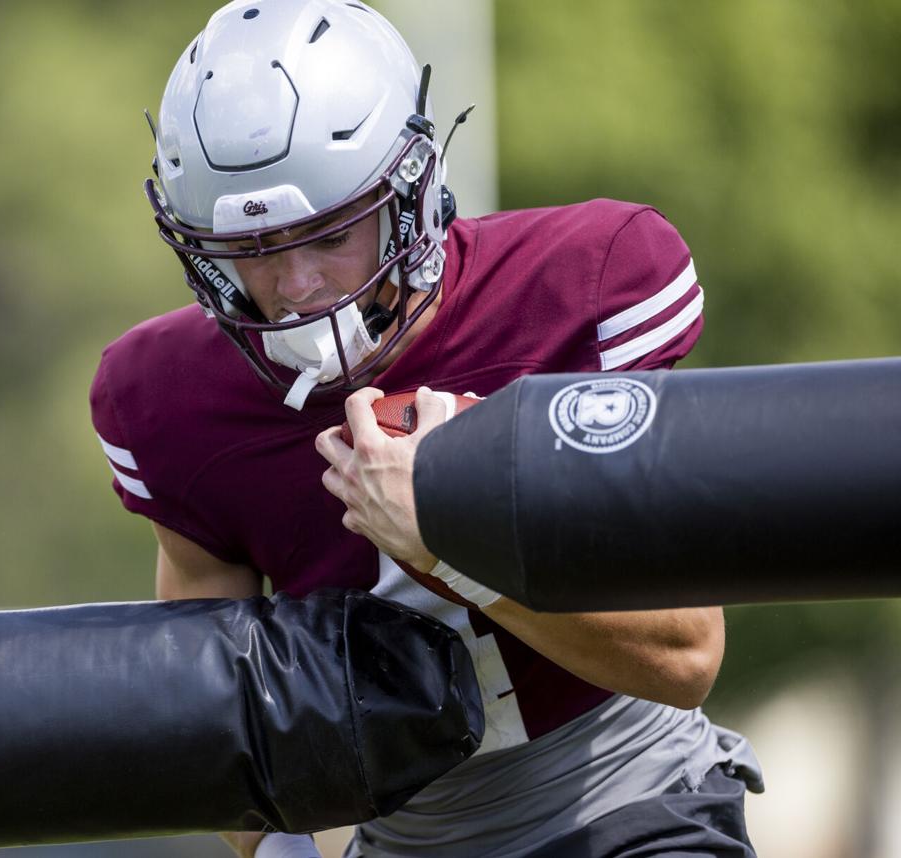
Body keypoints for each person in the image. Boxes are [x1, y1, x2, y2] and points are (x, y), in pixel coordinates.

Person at [90, 1, 763, 856]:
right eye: (253, 250)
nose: (296, 285)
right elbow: (220, 717)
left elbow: (687, 654)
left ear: (409, 190)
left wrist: (452, 538)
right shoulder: (170, 399)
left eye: (330, 233)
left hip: (631, 798)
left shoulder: (577, 287)